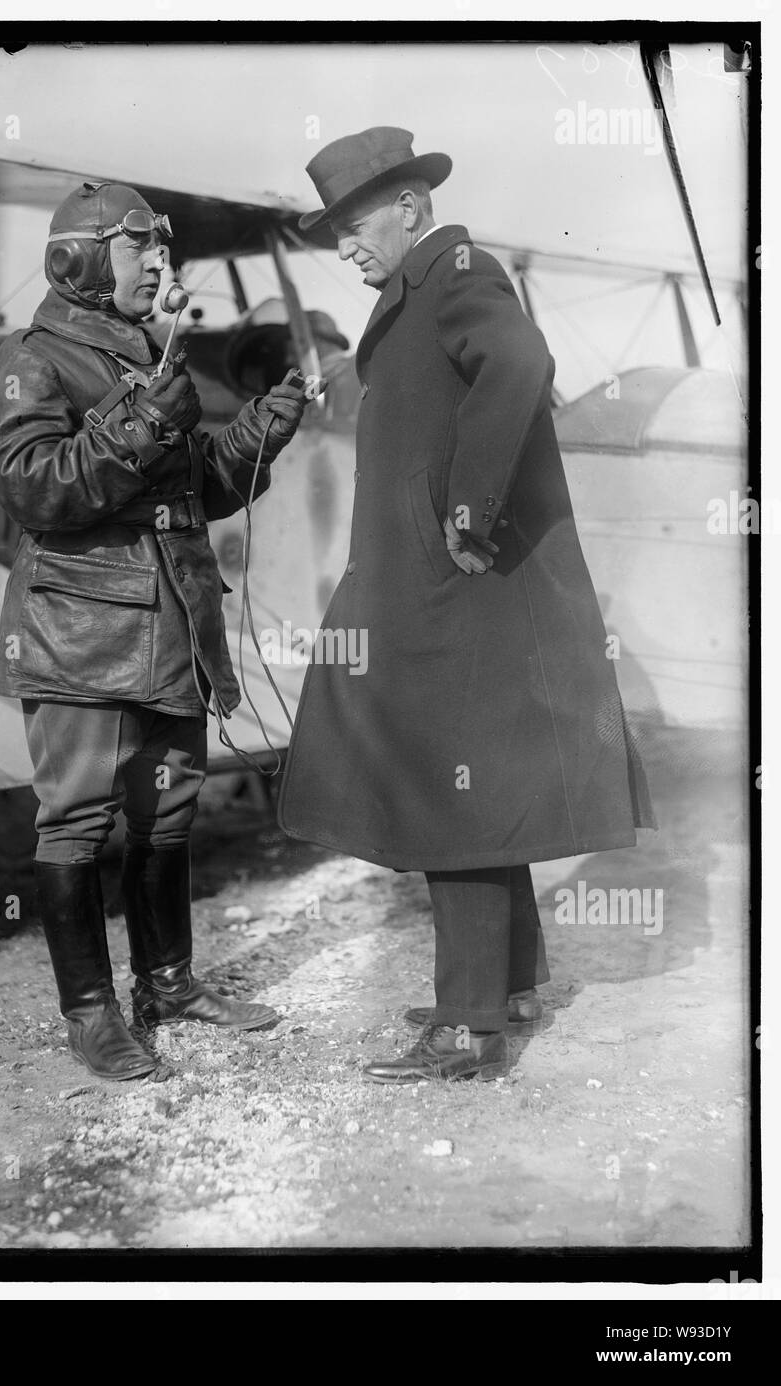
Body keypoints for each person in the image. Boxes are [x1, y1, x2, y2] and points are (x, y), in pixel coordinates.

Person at [278, 128, 655, 1084]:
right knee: (472, 790)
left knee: (452, 797)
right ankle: (507, 988)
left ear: (409, 207)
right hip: (432, 590)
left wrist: (464, 509)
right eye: (334, 234)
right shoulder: (419, 289)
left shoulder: (456, 272)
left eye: (354, 226)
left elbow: (520, 364)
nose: (345, 247)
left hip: (456, 590)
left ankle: (467, 1026)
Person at [0, 181, 309, 1081]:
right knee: (77, 823)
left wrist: (254, 438)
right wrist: (142, 421)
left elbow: (187, 489)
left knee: (166, 813)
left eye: (163, 248)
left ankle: (168, 984)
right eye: (140, 249)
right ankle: (91, 1015)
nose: (161, 264)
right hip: (80, 635)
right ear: (79, 262)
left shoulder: (142, 352)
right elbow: (35, 491)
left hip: (171, 625)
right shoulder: (30, 361)